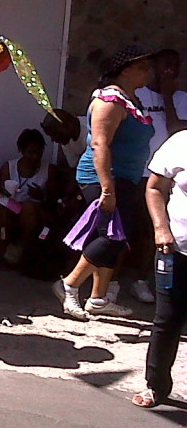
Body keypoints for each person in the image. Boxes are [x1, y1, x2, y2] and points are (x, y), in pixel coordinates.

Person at [53, 46, 155, 320]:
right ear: (125, 71)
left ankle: (98, 298)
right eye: (142, 67)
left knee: (117, 238)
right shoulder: (109, 100)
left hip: (126, 178)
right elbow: (99, 144)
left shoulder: (130, 100)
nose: (149, 72)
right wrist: (108, 189)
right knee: (110, 237)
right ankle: (69, 284)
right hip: (104, 178)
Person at [133, 129, 187, 408]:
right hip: (175, 251)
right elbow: (155, 188)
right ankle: (156, 385)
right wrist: (160, 228)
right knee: (167, 320)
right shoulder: (180, 143)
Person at [129, 49, 187, 303]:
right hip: (136, 171)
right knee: (125, 228)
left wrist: (167, 97)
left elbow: (177, 131)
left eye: (175, 66)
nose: (169, 71)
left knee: (151, 231)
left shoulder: (182, 98)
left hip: (165, 176)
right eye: (165, 65)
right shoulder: (138, 94)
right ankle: (111, 283)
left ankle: (141, 280)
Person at [0, 128, 58, 267]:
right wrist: (5, 192)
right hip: (12, 207)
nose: (35, 156)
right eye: (31, 152)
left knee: (28, 207)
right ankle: (2, 252)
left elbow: (54, 201)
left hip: (36, 210)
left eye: (39, 152)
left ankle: (25, 252)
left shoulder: (49, 170)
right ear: (21, 150)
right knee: (1, 210)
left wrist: (41, 196)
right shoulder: (9, 167)